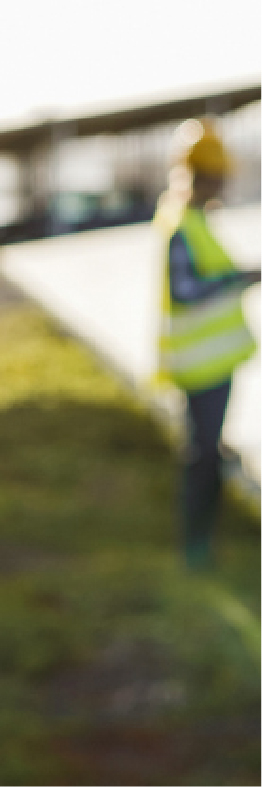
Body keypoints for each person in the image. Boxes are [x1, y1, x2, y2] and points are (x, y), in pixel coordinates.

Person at [154, 118, 259, 570]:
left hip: (213, 362)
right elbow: (187, 292)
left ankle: (204, 539)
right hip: (201, 368)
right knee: (202, 457)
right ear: (206, 176)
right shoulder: (183, 225)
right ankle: (196, 548)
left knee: (208, 452)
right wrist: (239, 278)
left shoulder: (194, 219)